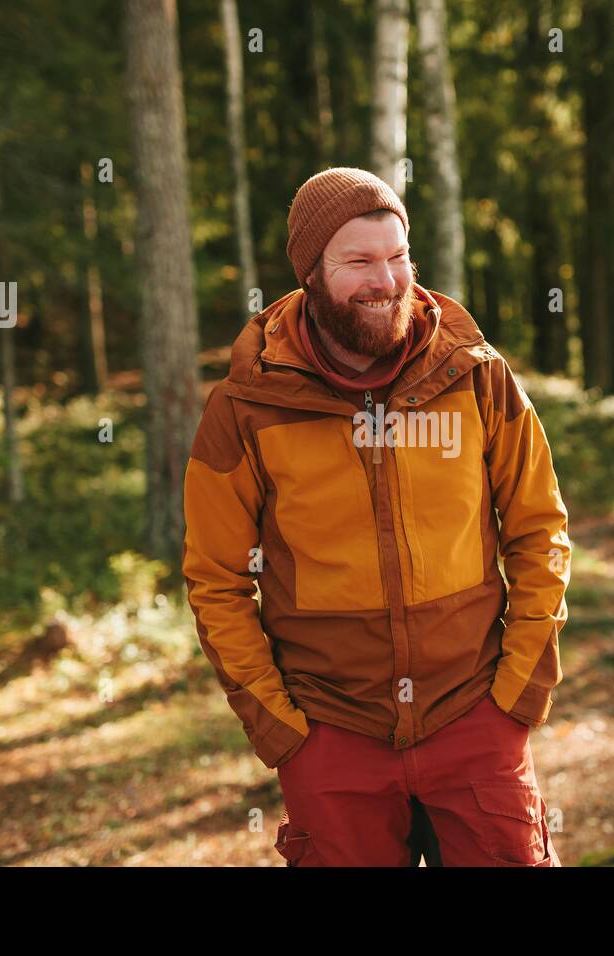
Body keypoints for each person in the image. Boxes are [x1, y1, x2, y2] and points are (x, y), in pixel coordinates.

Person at [182, 166, 571, 866]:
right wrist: (284, 733)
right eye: (358, 261)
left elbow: (539, 528)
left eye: (397, 257)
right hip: (333, 739)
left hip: (474, 720)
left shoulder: (475, 374)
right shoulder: (245, 407)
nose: (385, 279)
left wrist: (517, 691)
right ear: (310, 273)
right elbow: (216, 579)